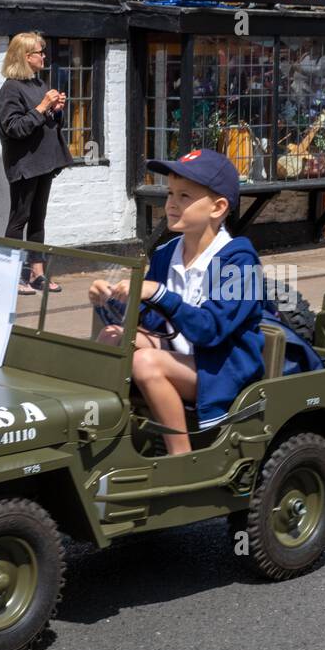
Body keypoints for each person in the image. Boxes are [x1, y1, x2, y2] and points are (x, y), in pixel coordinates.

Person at [88, 149, 265, 457]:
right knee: (113, 337)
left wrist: (159, 294)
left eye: (185, 196)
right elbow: (151, 319)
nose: (171, 203)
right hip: (182, 356)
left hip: (220, 368)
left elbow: (211, 331)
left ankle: (181, 456)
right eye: (170, 193)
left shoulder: (239, 261)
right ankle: (105, 434)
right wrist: (110, 300)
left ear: (218, 207)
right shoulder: (166, 253)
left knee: (144, 362)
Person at [0, 32, 69, 294]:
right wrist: (41, 108)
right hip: (25, 164)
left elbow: (46, 123)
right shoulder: (10, 89)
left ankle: (36, 272)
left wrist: (55, 110)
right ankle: (11, 275)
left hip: (44, 162)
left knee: (38, 218)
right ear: (26, 57)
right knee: (20, 217)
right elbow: (14, 128)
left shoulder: (38, 84)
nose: (44, 56)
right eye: (40, 52)